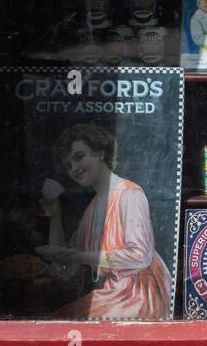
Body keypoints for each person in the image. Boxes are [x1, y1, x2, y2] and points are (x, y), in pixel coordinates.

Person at [39, 123, 172, 320]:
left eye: (79, 157)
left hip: (138, 296)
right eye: (68, 166)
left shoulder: (129, 194)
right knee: (55, 322)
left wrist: (78, 256)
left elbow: (140, 256)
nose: (74, 169)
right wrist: (55, 215)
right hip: (113, 294)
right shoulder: (93, 208)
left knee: (58, 323)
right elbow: (65, 266)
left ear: (100, 152)